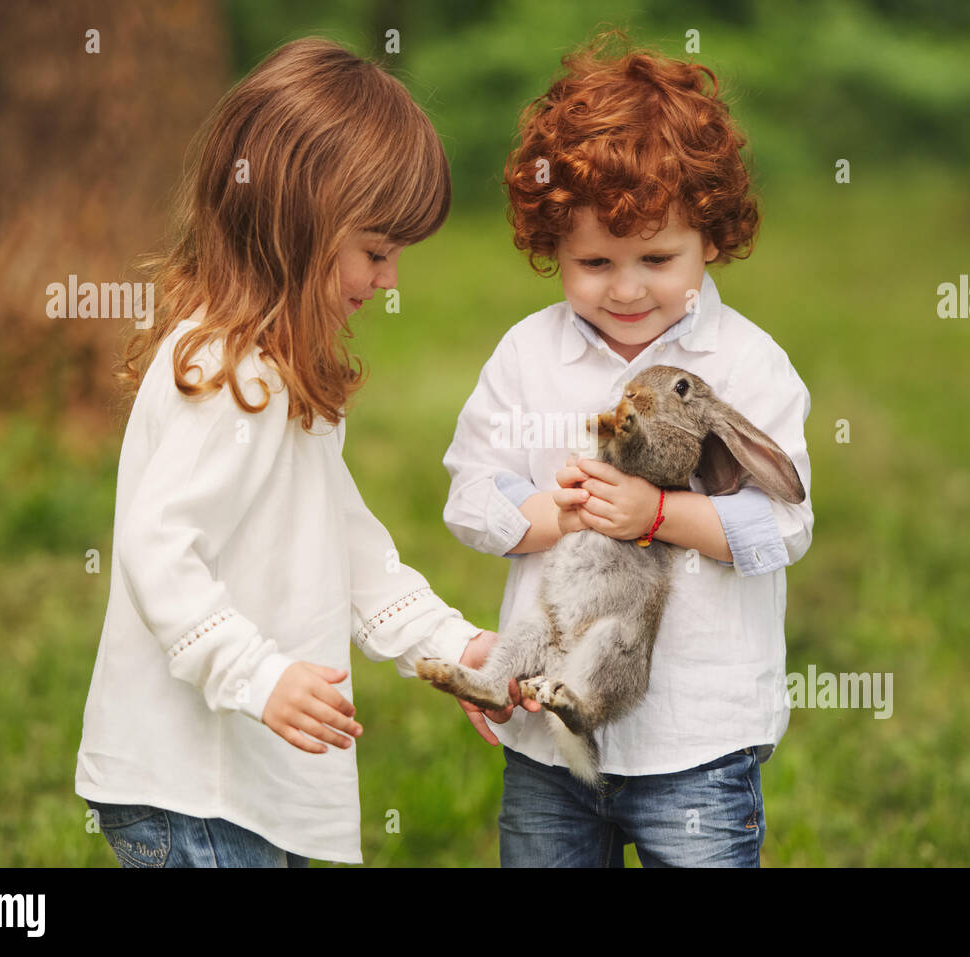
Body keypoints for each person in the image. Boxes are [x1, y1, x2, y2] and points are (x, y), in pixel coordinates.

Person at [75, 37, 496, 867]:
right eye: (376, 251)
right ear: (296, 224)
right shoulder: (230, 371)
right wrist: (257, 674)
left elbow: (348, 546)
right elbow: (159, 549)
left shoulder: (274, 371)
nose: (390, 281)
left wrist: (450, 648)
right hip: (195, 791)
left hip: (242, 787)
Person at [442, 35, 815, 867]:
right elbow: (469, 494)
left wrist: (662, 514)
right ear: (552, 248)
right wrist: (551, 511)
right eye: (594, 261)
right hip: (547, 740)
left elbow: (783, 526)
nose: (626, 288)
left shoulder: (749, 365)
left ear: (711, 238)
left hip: (698, 740)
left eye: (657, 257)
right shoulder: (526, 357)